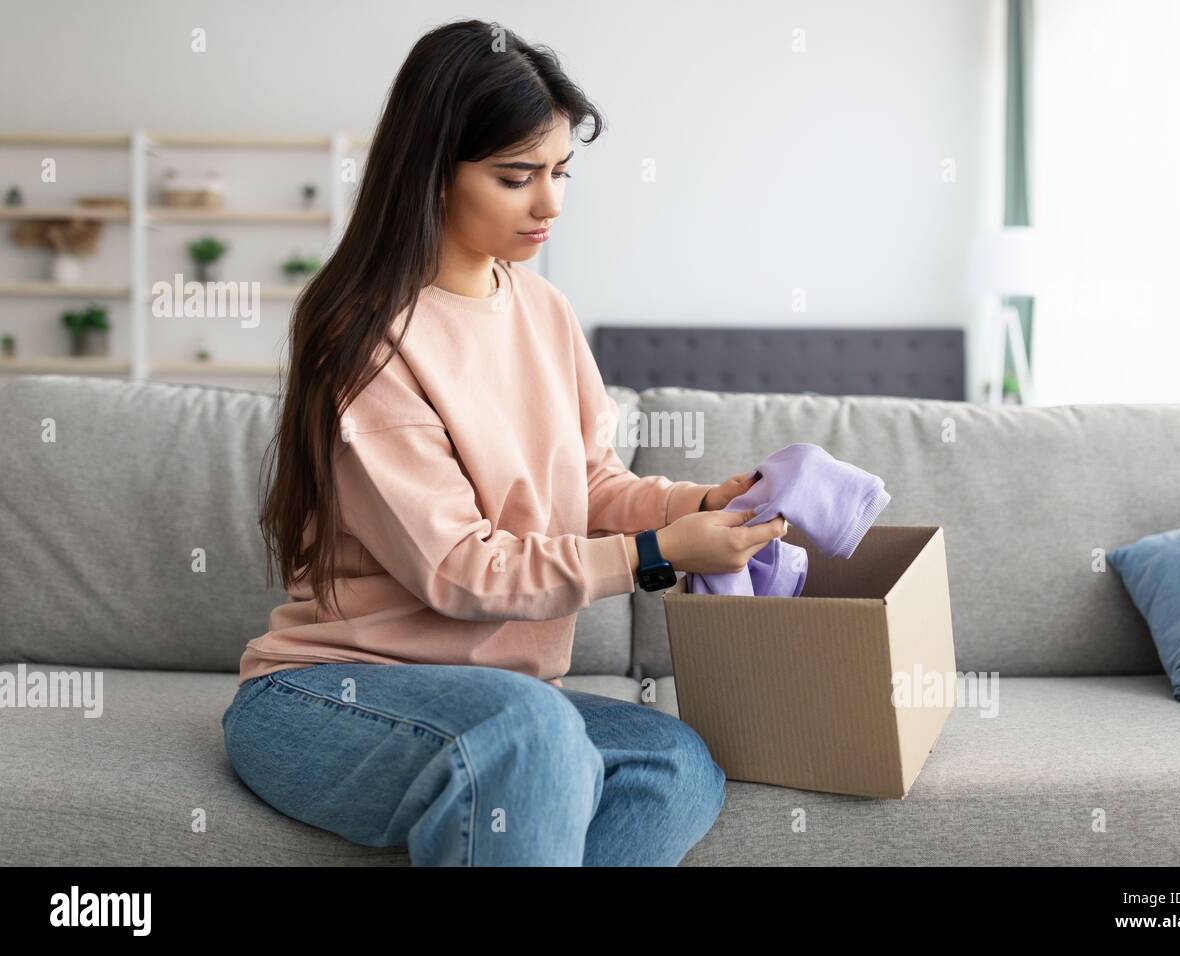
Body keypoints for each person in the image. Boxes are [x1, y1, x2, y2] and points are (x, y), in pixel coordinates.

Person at [221, 18, 787, 867]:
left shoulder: (543, 310)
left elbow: (590, 481)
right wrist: (655, 553)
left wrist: (697, 505)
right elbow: (460, 570)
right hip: (328, 694)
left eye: (560, 172)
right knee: (533, 730)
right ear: (432, 173)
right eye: (516, 176)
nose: (550, 203)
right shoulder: (364, 339)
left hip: (503, 700)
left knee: (673, 762)